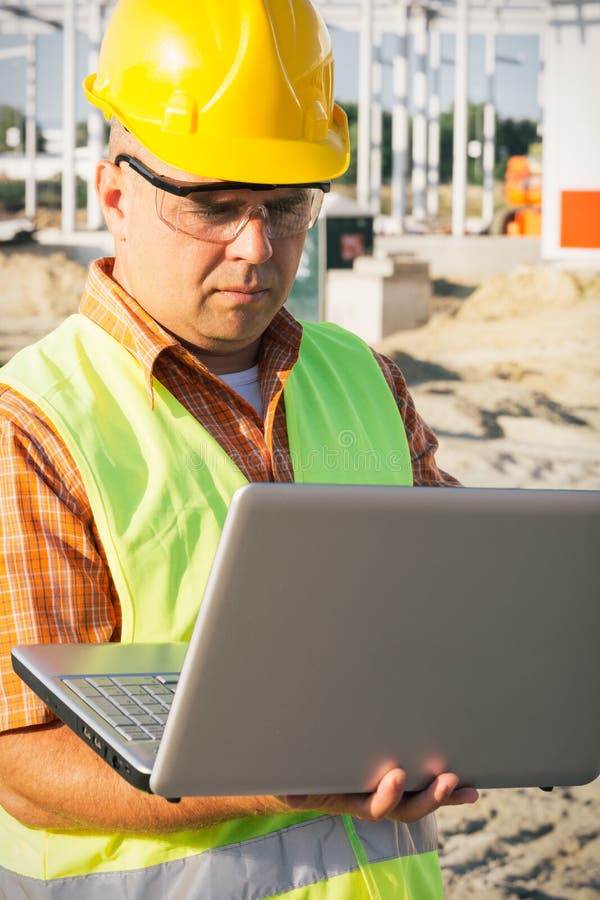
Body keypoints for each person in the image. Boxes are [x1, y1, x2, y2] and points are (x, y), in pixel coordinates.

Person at [0, 0, 478, 897]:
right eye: (215, 206)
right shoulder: (33, 424)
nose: (257, 246)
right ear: (116, 198)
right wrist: (274, 781)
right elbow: (23, 760)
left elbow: (455, 611)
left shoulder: (367, 379)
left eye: (287, 205)